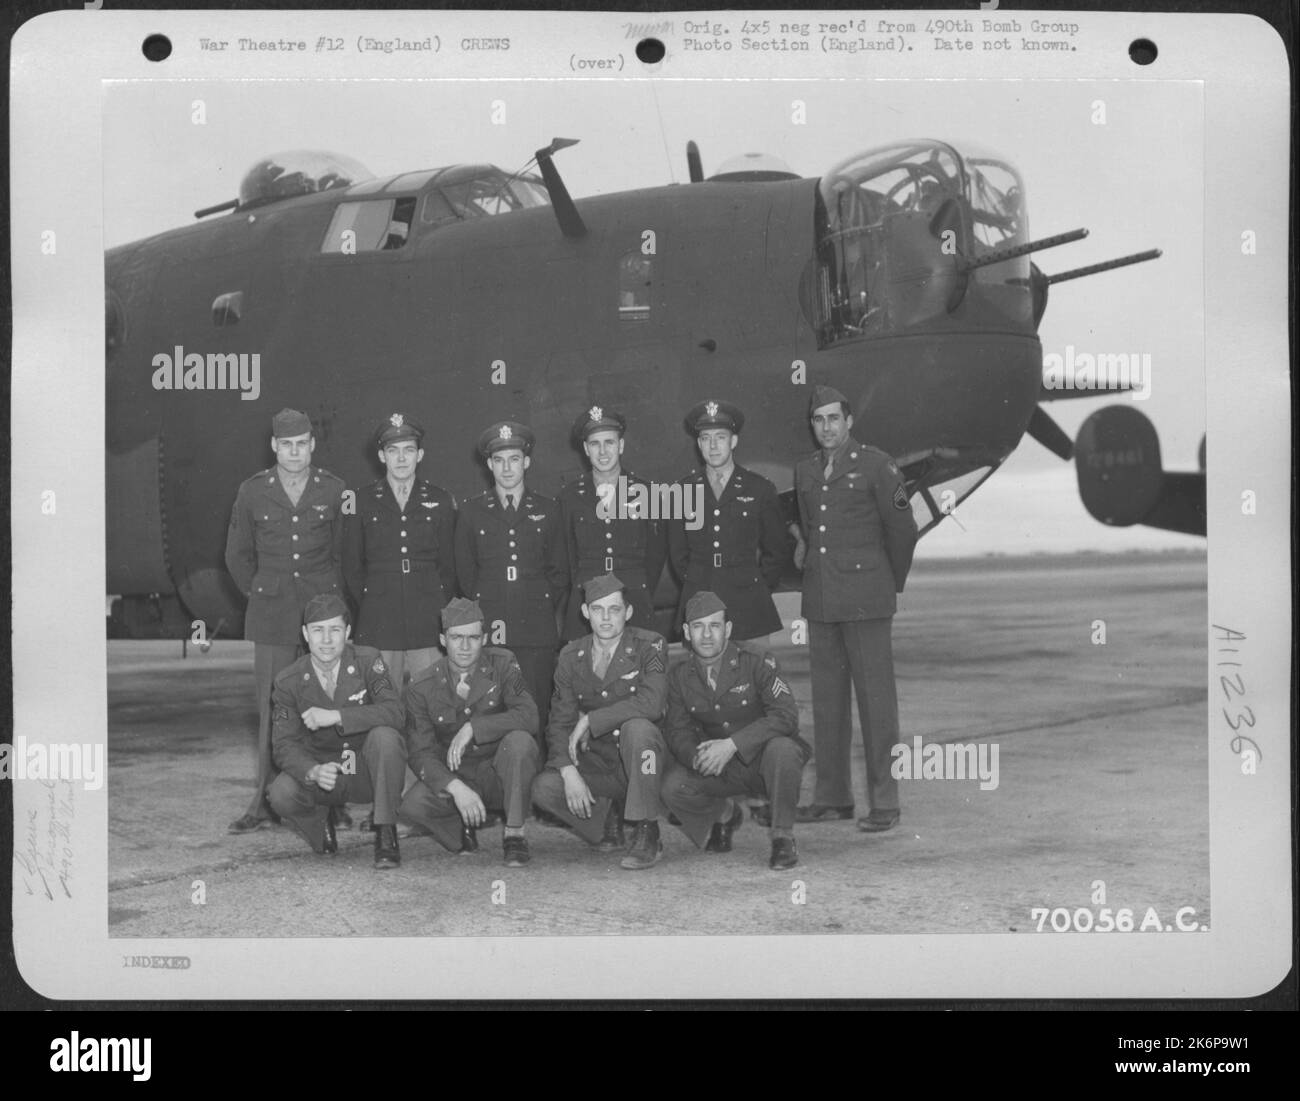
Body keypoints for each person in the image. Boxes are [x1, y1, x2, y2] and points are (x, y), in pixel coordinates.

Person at [794, 385, 918, 831]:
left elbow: (904, 530)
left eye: (833, 418)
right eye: (818, 420)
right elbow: (812, 531)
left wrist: (887, 584)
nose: (826, 427)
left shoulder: (877, 466)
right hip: (823, 600)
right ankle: (832, 797)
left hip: (867, 601)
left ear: (849, 421)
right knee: (827, 705)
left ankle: (885, 802)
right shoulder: (805, 470)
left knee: (876, 705)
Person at [224, 408, 347, 834]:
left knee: (327, 706)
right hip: (273, 617)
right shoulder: (253, 491)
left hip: (321, 619)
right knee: (273, 709)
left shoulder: (333, 490)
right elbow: (237, 556)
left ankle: (333, 802)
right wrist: (262, 594)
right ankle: (262, 801)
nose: (295, 452)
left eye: (302, 444)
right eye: (286, 445)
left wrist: (334, 611)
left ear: (312, 445)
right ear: (275, 447)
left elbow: (342, 554)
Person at [530, 574, 669, 870]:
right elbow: (558, 722)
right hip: (597, 763)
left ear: (628, 612)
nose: (606, 618)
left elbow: (653, 703)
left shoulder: (650, 646)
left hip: (640, 761)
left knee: (639, 728)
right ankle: (605, 819)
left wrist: (592, 719)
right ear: (585, 613)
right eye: (597, 609)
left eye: (614, 609)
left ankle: (647, 829)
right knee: (545, 787)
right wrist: (568, 771)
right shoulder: (570, 656)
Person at [661, 592, 807, 870]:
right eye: (698, 627)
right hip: (720, 768)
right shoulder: (679, 677)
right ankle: (726, 815)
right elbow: (677, 731)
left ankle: (783, 837)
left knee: (784, 749)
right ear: (686, 632)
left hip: (763, 764)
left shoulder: (757, 661)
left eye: (714, 626)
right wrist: (696, 757)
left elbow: (787, 716)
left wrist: (732, 745)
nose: (706, 635)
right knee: (672, 787)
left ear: (727, 629)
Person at [398, 598, 540, 868]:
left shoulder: (505, 664)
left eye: (473, 637)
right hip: (458, 775)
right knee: (412, 805)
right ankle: (461, 828)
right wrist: (456, 788)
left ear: (484, 638)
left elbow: (530, 716)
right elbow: (420, 752)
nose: (464, 646)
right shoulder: (421, 685)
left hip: (498, 773)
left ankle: (515, 834)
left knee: (520, 742)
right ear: (442, 639)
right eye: (456, 637)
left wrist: (475, 727)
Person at [267, 594, 407, 868]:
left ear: (348, 632)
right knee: (280, 793)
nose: (327, 640)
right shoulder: (288, 681)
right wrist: (312, 771)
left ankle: (386, 830)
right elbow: (283, 744)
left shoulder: (369, 661)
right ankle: (320, 823)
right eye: (318, 630)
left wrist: (337, 716)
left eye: (335, 630)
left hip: (364, 770)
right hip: (323, 774)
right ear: (306, 634)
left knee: (386, 737)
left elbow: (396, 712)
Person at [454, 420, 568, 733]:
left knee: (537, 708)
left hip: (536, 631)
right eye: (500, 460)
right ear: (489, 464)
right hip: (491, 630)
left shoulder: (548, 509)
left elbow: (559, 573)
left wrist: (535, 606)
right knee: (493, 709)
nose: (507, 468)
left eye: (514, 459)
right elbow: (465, 575)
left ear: (526, 462)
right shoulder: (471, 512)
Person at [343, 412, 457, 691]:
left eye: (409, 450)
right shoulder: (361, 501)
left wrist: (438, 605)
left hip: (427, 615)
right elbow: (352, 566)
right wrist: (372, 600)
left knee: (433, 702)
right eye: (393, 451)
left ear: (420, 455)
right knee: (381, 703)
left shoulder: (440, 500)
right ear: (382, 456)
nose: (402, 458)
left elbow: (449, 566)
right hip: (379, 616)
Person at [668, 399, 791, 645]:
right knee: (704, 681)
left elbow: (776, 551)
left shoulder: (759, 488)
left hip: (749, 604)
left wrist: (754, 586)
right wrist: (700, 582)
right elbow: (678, 554)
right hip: (700, 604)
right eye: (705, 438)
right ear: (699, 443)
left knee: (755, 677)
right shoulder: (682, 491)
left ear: (733, 441)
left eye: (721, 437)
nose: (713, 446)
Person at [558, 406, 667, 641]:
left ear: (621, 445)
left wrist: (638, 587)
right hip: (587, 599)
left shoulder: (646, 492)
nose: (603, 451)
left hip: (634, 597)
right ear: (586, 449)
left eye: (609, 442)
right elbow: (566, 555)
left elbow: (656, 555)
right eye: (595, 444)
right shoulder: (569, 497)